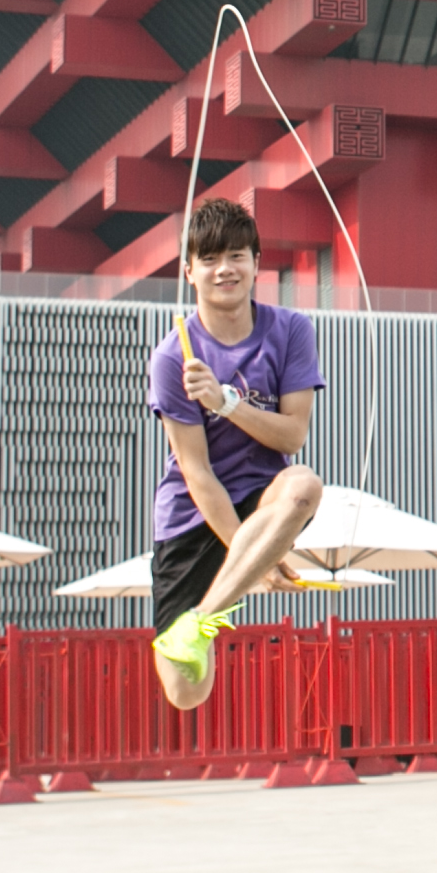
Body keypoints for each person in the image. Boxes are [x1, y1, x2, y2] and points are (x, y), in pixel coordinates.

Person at [145, 197, 332, 708]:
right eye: (209, 259)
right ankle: (193, 629)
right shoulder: (173, 356)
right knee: (186, 693)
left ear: (256, 263)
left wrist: (225, 403)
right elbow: (196, 471)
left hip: (262, 496)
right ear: (189, 271)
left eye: (236, 256)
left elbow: (292, 437)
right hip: (192, 514)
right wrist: (252, 559)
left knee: (304, 485)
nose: (224, 269)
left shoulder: (290, 330)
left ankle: (202, 620)